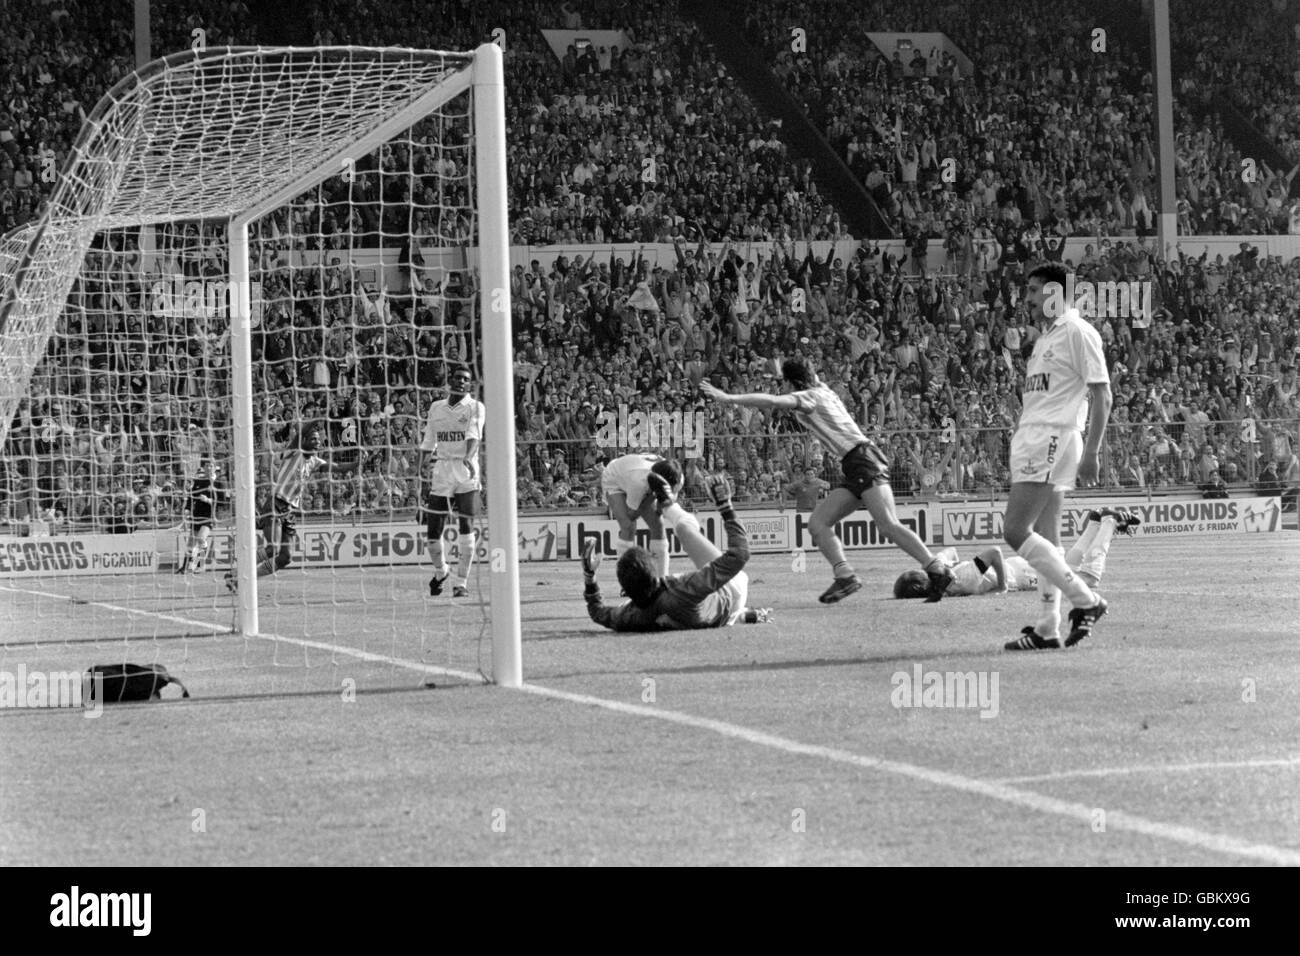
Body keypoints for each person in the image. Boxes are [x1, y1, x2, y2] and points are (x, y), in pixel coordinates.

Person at [701, 359, 953, 604]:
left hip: (863, 459)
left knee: (888, 525)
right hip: (856, 462)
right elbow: (805, 375)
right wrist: (780, 368)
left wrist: (729, 398)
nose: (783, 388)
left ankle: (937, 569)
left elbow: (774, 401)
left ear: (792, 383)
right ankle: (845, 576)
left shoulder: (808, 397)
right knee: (818, 523)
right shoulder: (823, 389)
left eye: (784, 383)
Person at [1002, 263, 1113, 651]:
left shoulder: (1078, 332)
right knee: (1048, 536)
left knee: (1015, 531)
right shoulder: (1046, 337)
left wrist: (1093, 451)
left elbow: (1103, 394)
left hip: (1052, 437)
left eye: (1034, 290)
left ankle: (1087, 601)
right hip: (1039, 436)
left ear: (1055, 293)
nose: (1028, 298)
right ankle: (1048, 627)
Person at [582, 473, 772, 631]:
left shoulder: (631, 616)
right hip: (732, 593)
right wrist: (726, 508)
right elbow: (740, 554)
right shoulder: (682, 589)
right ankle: (668, 504)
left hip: (708, 620)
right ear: (654, 573)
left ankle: (740, 616)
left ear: (626, 590)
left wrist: (589, 576)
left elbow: (598, 612)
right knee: (684, 530)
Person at [895, 507, 1140, 599]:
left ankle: (1107, 522)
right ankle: (1096, 523)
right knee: (1065, 565)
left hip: (1020, 574)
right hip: (1019, 568)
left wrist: (1002, 586)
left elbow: (993, 552)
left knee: (1088, 581)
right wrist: (943, 563)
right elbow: (951, 551)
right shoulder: (949, 575)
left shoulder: (958, 582)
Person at [225, 425, 331, 592]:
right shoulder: (293, 452)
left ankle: (237, 577)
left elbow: (338, 467)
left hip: (289, 511)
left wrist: (358, 462)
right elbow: (302, 432)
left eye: (318, 439)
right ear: (304, 440)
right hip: (276, 503)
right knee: (273, 547)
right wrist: (318, 419)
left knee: (284, 558)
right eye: (313, 439)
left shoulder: (316, 462)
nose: (318, 442)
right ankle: (237, 575)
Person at [418, 366, 486, 598]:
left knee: (466, 526)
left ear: (470, 385)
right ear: (450, 380)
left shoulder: (476, 407)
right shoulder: (436, 407)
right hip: (442, 469)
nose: (460, 381)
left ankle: (461, 583)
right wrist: (422, 466)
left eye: (465, 379)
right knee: (433, 530)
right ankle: (441, 572)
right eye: (457, 377)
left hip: (466, 470)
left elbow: (474, 436)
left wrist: (468, 458)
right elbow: (429, 440)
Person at [599, 453, 684, 576]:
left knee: (658, 525)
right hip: (614, 478)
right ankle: (626, 580)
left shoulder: (678, 478)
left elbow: (663, 507)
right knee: (628, 526)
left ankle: (662, 579)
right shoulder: (639, 481)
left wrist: (659, 500)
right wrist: (652, 496)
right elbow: (632, 514)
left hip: (637, 474)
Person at [176, 460, 226, 574]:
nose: (209, 468)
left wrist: (209, 500)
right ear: (204, 467)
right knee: (191, 543)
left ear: (215, 468)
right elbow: (191, 497)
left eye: (211, 466)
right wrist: (187, 509)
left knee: (201, 539)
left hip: (210, 516)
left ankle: (200, 565)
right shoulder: (198, 481)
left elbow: (223, 502)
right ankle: (185, 568)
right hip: (197, 515)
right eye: (207, 466)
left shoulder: (219, 483)